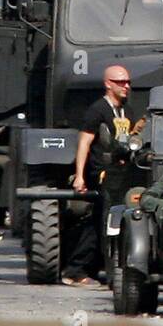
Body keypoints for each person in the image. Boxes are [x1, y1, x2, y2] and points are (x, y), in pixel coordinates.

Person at [66, 65, 141, 286]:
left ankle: (82, 270)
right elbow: (84, 142)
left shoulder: (128, 110)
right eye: (120, 82)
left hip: (124, 173)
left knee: (106, 222)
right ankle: (81, 271)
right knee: (105, 222)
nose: (126, 86)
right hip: (103, 173)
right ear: (108, 84)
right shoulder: (97, 110)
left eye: (128, 82)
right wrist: (79, 175)